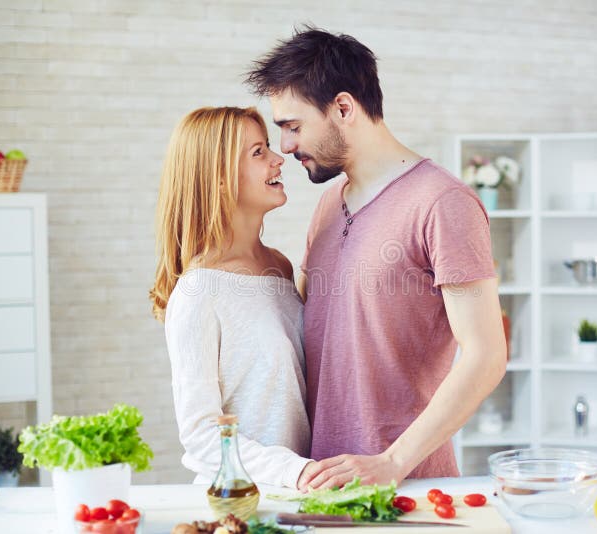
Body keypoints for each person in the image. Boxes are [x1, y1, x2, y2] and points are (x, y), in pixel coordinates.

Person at [246, 28, 507, 490]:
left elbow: (486, 356)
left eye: (292, 126)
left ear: (343, 108)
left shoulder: (443, 203)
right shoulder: (328, 205)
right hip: (321, 485)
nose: (285, 146)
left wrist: (390, 462)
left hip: (408, 487)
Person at [150, 106, 314, 488]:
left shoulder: (279, 267)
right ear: (220, 179)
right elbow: (201, 436)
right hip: (242, 503)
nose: (279, 159)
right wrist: (297, 471)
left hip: (298, 497)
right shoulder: (198, 292)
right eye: (259, 153)